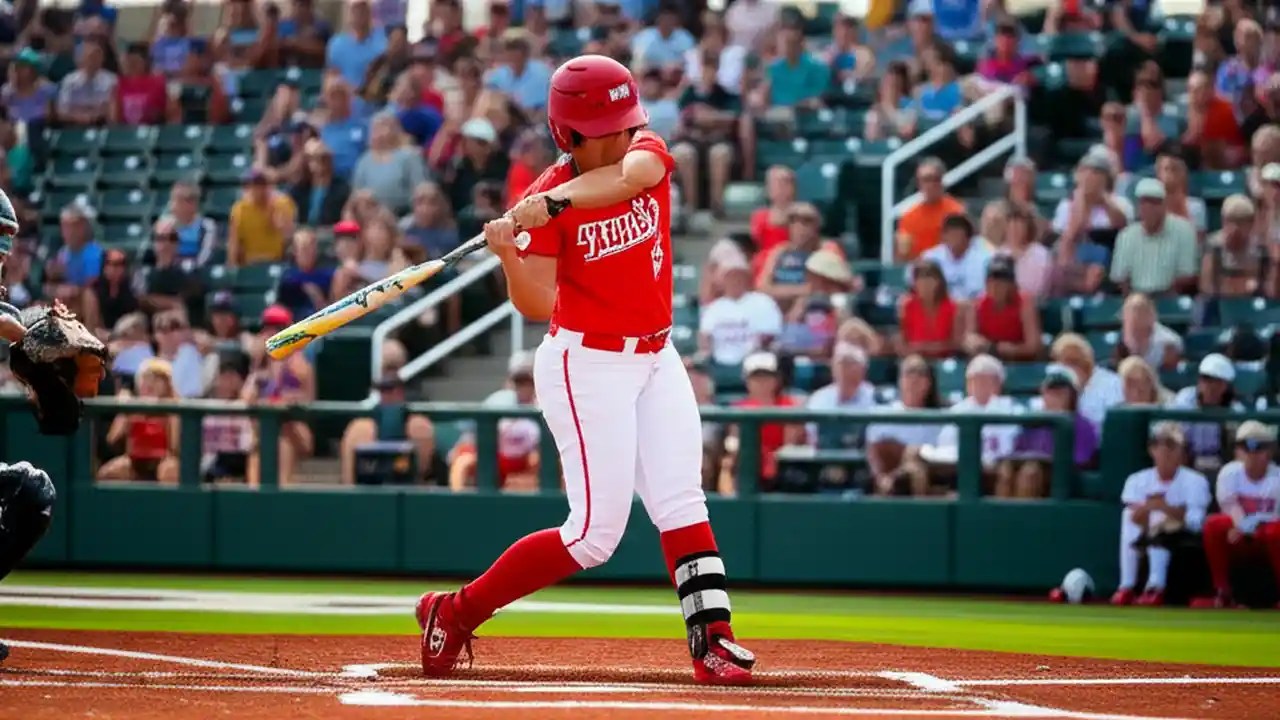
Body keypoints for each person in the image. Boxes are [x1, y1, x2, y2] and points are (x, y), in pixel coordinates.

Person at [430, 55, 757, 684]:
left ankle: (713, 642)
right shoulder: (543, 199)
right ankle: (457, 610)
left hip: (656, 356)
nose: (620, 134)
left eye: (623, 121)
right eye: (602, 127)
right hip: (586, 363)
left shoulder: (642, 152)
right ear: (567, 134)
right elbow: (536, 303)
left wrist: (547, 204)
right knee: (592, 536)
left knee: (682, 498)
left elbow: (630, 179)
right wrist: (508, 255)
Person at [1112, 423, 1211, 607]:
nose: (1164, 451)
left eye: (1171, 446)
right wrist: (1149, 510)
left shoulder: (1195, 480)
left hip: (1184, 539)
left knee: (1158, 516)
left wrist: (1165, 508)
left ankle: (1156, 587)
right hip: (1146, 532)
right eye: (1158, 444)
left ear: (1182, 452)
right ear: (1151, 450)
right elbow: (1135, 517)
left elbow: (1196, 522)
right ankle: (1126, 586)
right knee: (1129, 515)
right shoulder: (1137, 480)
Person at [1192, 421, 1280, 609]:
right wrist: (1244, 526)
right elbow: (1230, 506)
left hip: (1267, 537)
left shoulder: (1277, 478)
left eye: (1259, 449)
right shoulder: (1229, 473)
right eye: (1245, 448)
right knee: (1214, 524)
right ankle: (1222, 593)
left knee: (1276, 532)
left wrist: (1248, 525)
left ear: (1270, 452)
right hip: (1238, 537)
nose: (1252, 455)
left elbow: (1276, 518)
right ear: (1237, 451)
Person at [995, 365, 1100, 499]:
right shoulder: (1033, 422)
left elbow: (1080, 460)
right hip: (1030, 465)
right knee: (1006, 470)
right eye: (1050, 392)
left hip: (1062, 475)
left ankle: (1021, 519)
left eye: (1060, 393)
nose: (1054, 397)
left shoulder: (1083, 425)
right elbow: (1017, 451)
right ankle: (999, 518)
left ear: (1072, 396)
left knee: (1030, 472)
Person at [866, 355, 942, 496]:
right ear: (900, 380)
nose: (913, 379)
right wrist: (881, 478)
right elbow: (873, 452)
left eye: (920, 374)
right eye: (908, 373)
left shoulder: (939, 419)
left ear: (928, 383)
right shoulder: (882, 414)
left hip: (926, 479)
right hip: (887, 481)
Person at [97, 358, 181, 484]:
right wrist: (124, 412)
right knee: (109, 473)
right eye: (146, 378)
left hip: (163, 459)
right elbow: (112, 439)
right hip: (134, 460)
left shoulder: (173, 410)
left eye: (157, 378)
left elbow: (175, 447)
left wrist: (170, 413)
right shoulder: (132, 407)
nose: (150, 383)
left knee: (170, 473)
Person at [696, 254, 782, 367]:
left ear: (747, 279)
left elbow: (770, 336)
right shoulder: (714, 308)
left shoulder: (764, 302)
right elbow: (705, 338)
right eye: (730, 277)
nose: (734, 281)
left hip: (755, 361)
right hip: (719, 363)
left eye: (738, 276)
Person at [961, 256, 1042, 362]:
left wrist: (1010, 349)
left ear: (1011, 285)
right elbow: (968, 337)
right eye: (991, 282)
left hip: (1018, 363)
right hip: (987, 360)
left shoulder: (1025, 304)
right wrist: (974, 342)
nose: (994, 287)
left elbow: (1033, 347)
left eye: (1000, 283)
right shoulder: (977, 305)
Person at [896, 158, 967, 261]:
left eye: (935, 179)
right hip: (921, 270)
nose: (931, 185)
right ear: (919, 183)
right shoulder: (909, 217)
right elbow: (903, 257)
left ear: (942, 181)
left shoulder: (957, 212)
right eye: (926, 180)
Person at [228, 169, 297, 268]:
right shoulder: (239, 209)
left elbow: (290, 236)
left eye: (259, 185)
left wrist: (279, 226)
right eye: (250, 185)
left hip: (277, 262)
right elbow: (234, 242)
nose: (255, 189)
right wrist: (232, 267)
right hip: (250, 263)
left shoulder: (282, 204)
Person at [897, 258, 960, 359]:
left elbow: (956, 343)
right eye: (920, 279)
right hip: (915, 359)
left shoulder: (951, 306)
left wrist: (924, 348)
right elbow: (903, 343)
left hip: (946, 359)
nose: (924, 283)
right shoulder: (907, 306)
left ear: (939, 282)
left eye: (929, 278)